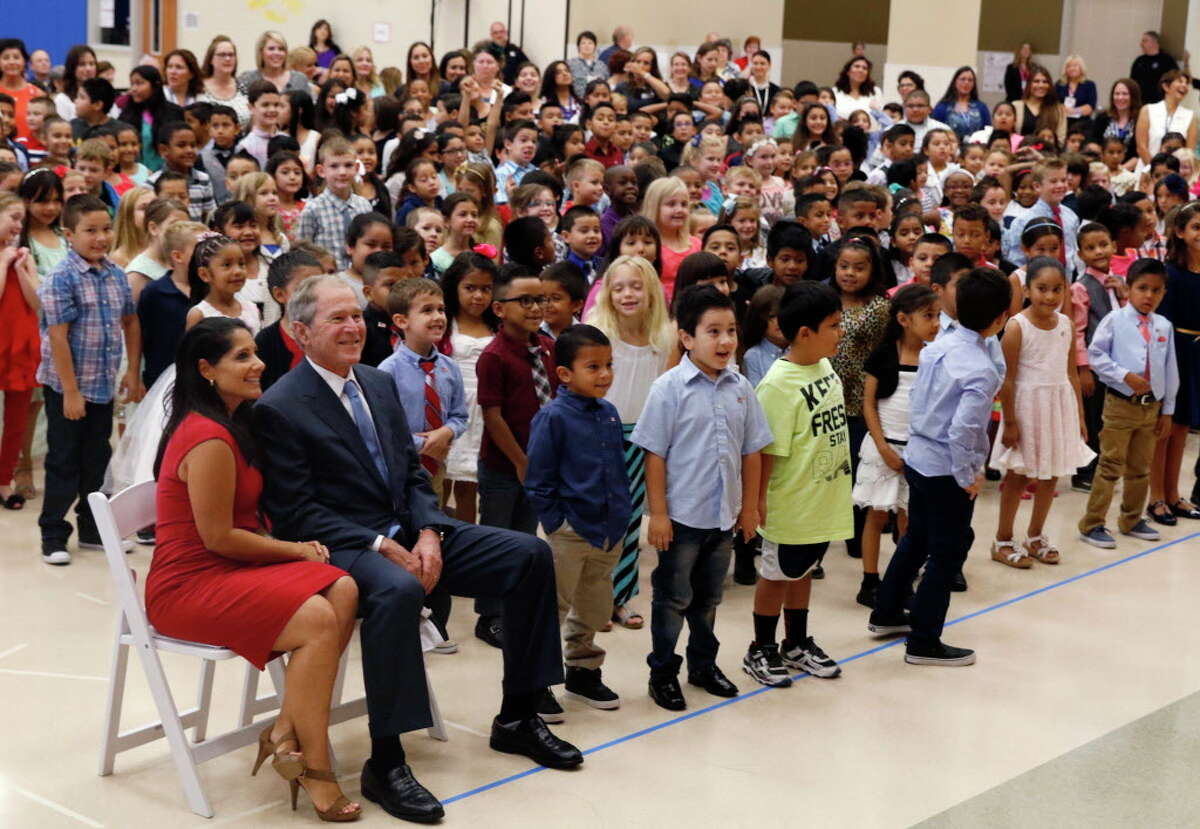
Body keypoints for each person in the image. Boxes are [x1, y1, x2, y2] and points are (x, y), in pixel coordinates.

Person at [253, 274, 583, 821]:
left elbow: (411, 473)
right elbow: (297, 513)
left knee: (528, 555)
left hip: (410, 526)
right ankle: (386, 761)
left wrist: (430, 529)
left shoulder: (376, 383)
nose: (353, 326)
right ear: (299, 331)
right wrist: (381, 542)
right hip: (342, 544)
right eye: (337, 318)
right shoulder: (280, 406)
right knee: (399, 589)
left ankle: (519, 716)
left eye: (356, 315)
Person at [146, 317, 361, 821]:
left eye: (253, 352)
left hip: (227, 567)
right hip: (188, 584)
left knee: (344, 589)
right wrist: (296, 550)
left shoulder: (235, 421)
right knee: (317, 620)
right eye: (241, 356)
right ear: (206, 370)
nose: (258, 363)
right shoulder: (208, 437)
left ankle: (284, 731)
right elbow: (217, 537)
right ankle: (314, 762)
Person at [632, 285, 772, 710]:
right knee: (673, 598)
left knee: (709, 598)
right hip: (682, 518)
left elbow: (753, 450)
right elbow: (654, 455)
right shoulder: (668, 389)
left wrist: (749, 507)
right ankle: (663, 672)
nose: (726, 341)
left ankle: (703, 664)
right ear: (686, 337)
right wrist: (658, 514)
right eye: (713, 331)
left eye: (730, 330)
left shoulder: (741, 387)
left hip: (723, 517)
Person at [742, 278, 851, 687]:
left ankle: (796, 642)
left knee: (802, 570)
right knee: (776, 574)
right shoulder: (776, 386)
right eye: (835, 326)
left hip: (822, 499)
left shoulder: (823, 366)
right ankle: (761, 648)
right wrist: (755, 506)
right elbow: (766, 453)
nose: (841, 333)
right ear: (805, 333)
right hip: (789, 504)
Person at [524, 323, 631, 710]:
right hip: (570, 531)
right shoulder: (553, 417)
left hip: (609, 529)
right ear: (565, 374)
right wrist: (558, 524)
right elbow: (537, 479)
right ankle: (538, 683)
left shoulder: (609, 413)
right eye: (593, 367)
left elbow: (617, 468)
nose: (604, 375)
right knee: (554, 605)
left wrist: (622, 512)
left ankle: (583, 671)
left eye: (608, 365)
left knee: (596, 603)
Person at [37, 195, 144, 564]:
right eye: (90, 231)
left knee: (98, 458)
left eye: (106, 229)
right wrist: (70, 392)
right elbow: (58, 337)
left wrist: (132, 370)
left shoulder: (115, 273)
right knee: (64, 460)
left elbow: (130, 321)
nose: (101, 238)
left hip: (102, 385)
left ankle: (93, 530)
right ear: (69, 234)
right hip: (67, 386)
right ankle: (53, 534)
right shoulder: (60, 278)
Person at [473, 265, 558, 657]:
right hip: (504, 467)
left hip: (538, 463)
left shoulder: (546, 346)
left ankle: (515, 604)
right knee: (495, 537)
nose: (535, 306)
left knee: (525, 537)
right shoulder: (494, 356)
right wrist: (522, 462)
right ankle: (488, 613)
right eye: (524, 300)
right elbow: (493, 417)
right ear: (500, 308)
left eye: (540, 299)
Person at [988, 258, 1094, 568]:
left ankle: (1035, 536)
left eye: (1056, 289)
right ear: (1027, 289)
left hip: (1057, 406)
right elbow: (1006, 380)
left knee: (1051, 476)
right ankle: (1002, 539)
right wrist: (1009, 422)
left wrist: (1079, 418)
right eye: (1042, 289)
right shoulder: (1016, 326)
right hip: (1025, 408)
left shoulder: (1065, 324)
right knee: (1018, 475)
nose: (1049, 296)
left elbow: (1071, 374)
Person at [586, 255, 673, 630]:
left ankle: (619, 597)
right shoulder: (597, 332)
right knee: (596, 520)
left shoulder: (663, 337)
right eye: (618, 287)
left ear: (651, 291)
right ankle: (591, 598)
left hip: (641, 437)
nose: (627, 294)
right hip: (600, 435)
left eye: (636, 286)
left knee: (630, 519)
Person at [1079, 258, 1178, 548]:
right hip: (1121, 404)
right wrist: (1124, 376)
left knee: (1141, 467)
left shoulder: (1164, 326)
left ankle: (1132, 518)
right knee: (1110, 464)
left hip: (1152, 408)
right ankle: (1092, 523)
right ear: (1129, 289)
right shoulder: (1115, 320)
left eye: (1156, 290)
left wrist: (1168, 410)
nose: (1149, 296)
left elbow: (1170, 370)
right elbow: (1096, 356)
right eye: (1142, 288)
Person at [853, 284, 939, 609]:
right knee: (875, 516)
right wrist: (883, 447)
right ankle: (870, 579)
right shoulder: (883, 355)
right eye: (928, 316)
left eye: (938, 316)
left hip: (918, 450)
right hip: (883, 447)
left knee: (909, 519)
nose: (935, 323)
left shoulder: (934, 356)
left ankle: (902, 579)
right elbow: (869, 404)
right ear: (903, 319)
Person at [1149, 202, 1200, 526]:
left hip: (1198, 356)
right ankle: (1156, 496)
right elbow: (1160, 322)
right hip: (1175, 352)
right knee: (1164, 428)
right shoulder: (1171, 273)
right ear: (1180, 232)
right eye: (1196, 227)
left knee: (1182, 426)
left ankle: (1173, 493)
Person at [0, 193, 40, 510]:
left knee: (16, 420)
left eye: (21, 220)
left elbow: (36, 301)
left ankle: (4, 481)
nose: (18, 225)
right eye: (13, 217)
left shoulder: (24, 256)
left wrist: (22, 268)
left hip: (21, 344)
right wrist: (3, 262)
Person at [298, 137, 373, 272]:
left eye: (348, 165)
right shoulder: (313, 210)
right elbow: (304, 251)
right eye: (334, 166)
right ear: (321, 171)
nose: (342, 172)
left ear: (356, 168)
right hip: (327, 280)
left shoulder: (364, 206)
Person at [1134, 70, 1196, 171]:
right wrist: (1155, 171)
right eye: (1180, 81)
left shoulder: (1191, 116)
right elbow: (1141, 147)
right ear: (1166, 86)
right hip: (1146, 171)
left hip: (1176, 175)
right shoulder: (1148, 110)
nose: (1184, 85)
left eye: (1186, 83)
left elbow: (1189, 153)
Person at [1012, 64, 1066, 146]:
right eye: (1036, 81)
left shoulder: (1058, 109)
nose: (1041, 85)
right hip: (1020, 153)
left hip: (1048, 155)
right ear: (1029, 84)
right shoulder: (1016, 106)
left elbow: (1061, 140)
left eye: (1045, 82)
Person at [932, 67, 990, 141]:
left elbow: (987, 131)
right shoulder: (943, 107)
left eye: (970, 80)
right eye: (963, 79)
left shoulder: (981, 107)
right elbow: (934, 131)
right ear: (955, 82)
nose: (966, 83)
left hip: (976, 148)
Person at [1130, 31, 1178, 106]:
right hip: (1141, 102)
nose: (1141, 44)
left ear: (1154, 42)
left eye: (1144, 41)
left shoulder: (1166, 60)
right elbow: (1132, 82)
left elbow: (1175, 79)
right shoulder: (1139, 61)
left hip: (1160, 103)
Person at [569, 31, 610, 100]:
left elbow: (607, 83)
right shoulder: (570, 64)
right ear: (578, 46)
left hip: (598, 101)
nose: (586, 46)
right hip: (578, 100)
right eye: (583, 43)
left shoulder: (602, 66)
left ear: (595, 46)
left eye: (590, 43)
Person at [487, 21, 531, 87]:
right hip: (491, 87)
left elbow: (527, 66)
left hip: (512, 88)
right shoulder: (486, 52)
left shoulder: (515, 50)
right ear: (491, 35)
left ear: (506, 33)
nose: (499, 35)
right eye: (495, 33)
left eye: (501, 32)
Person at [1056, 55, 1097, 123]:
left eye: (1075, 66)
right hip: (1062, 121)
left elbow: (1090, 107)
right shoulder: (1059, 84)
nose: (1072, 68)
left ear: (1081, 68)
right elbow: (1054, 104)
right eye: (1068, 66)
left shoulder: (1089, 85)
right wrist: (1062, 108)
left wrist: (1074, 111)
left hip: (1083, 122)